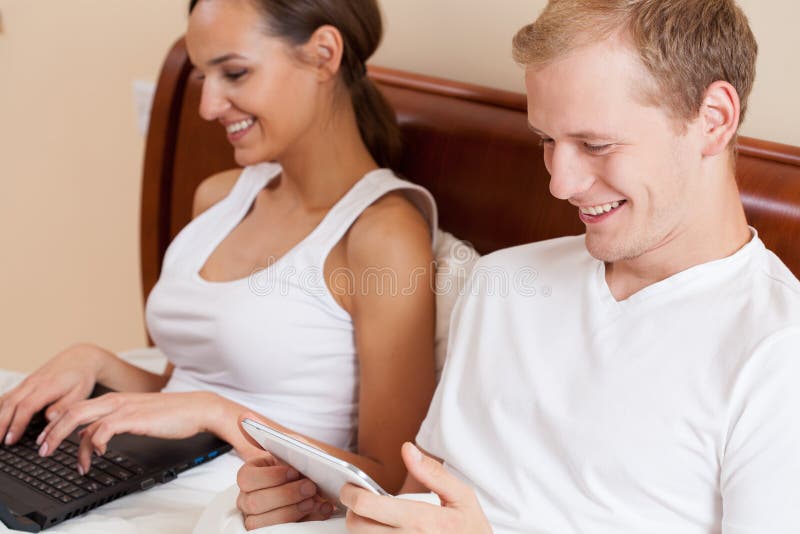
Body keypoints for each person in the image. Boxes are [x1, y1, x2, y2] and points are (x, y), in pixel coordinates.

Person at [340, 1, 800, 533]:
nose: (560, 184)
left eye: (596, 144)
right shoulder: (503, 283)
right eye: (547, 141)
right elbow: (423, 492)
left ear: (713, 119)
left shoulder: (776, 353)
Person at [0, 0, 439, 526]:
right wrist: (95, 362)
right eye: (204, 75)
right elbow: (180, 391)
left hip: (230, 503)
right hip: (143, 474)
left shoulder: (381, 235)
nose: (208, 105)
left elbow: (392, 479)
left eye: (234, 73)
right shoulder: (219, 198)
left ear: (324, 54)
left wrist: (219, 413)